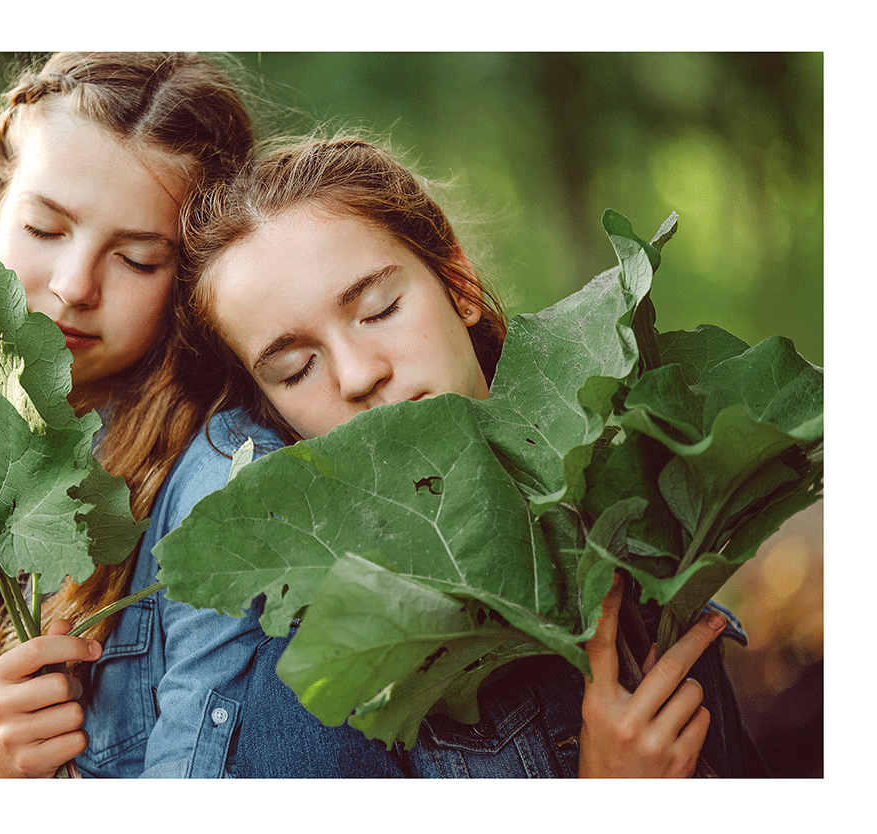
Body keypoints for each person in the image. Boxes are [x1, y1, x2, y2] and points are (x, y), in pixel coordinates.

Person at [166, 134, 767, 777]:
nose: (358, 374)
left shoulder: (636, 532)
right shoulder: (321, 678)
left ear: (459, 281)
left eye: (380, 309)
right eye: (295, 368)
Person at [0, 51, 286, 778]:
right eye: (46, 231)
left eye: (140, 259)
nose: (75, 284)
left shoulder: (226, 496)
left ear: (195, 282)